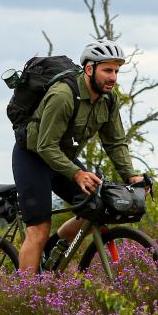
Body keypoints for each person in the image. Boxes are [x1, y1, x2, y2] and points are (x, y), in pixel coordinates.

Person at [14, 39, 146, 271]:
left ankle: (51, 250)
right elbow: (45, 146)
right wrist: (77, 174)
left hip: (62, 159)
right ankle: (25, 296)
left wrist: (131, 176)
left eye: (116, 70)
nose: (113, 77)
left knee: (96, 208)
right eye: (107, 70)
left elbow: (115, 142)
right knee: (38, 229)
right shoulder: (63, 95)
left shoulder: (108, 99)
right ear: (89, 69)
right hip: (33, 157)